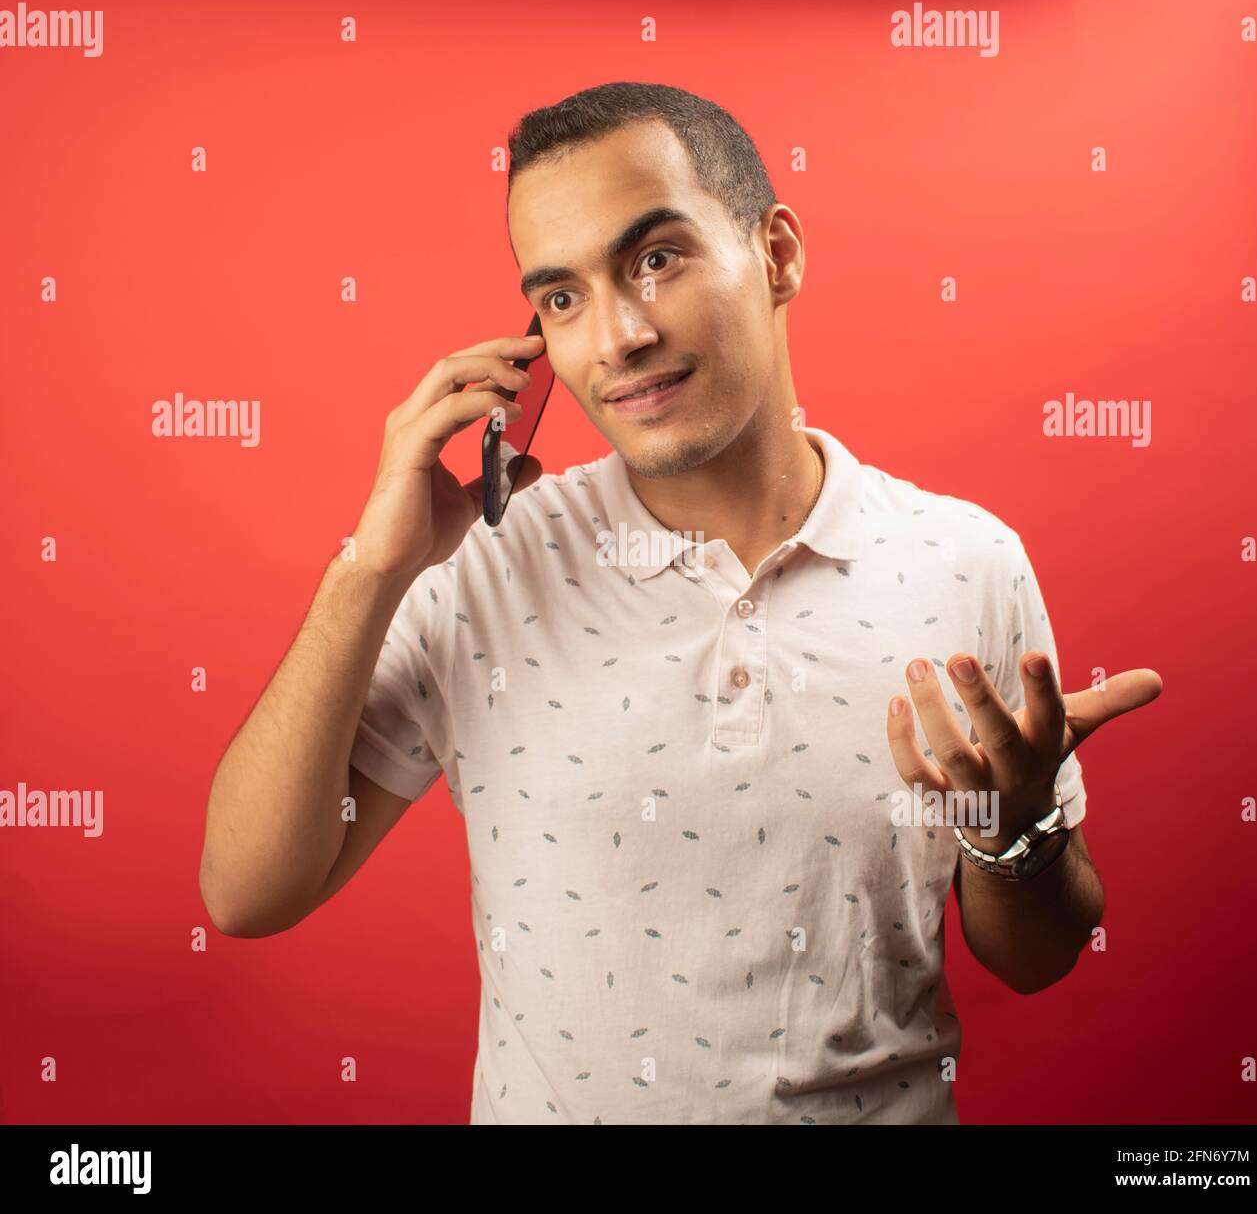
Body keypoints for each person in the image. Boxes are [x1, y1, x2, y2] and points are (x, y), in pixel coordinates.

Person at [200, 81, 1162, 1125]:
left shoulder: (963, 560)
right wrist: (372, 569)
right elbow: (248, 891)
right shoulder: (487, 563)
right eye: (562, 297)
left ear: (778, 254)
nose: (614, 336)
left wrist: (1011, 831)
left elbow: (1036, 960)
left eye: (654, 260)